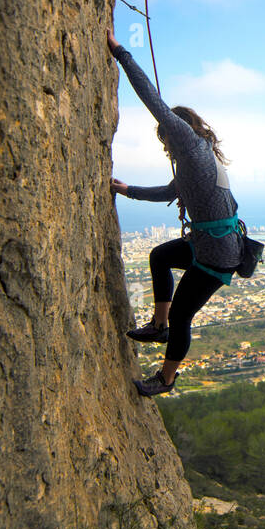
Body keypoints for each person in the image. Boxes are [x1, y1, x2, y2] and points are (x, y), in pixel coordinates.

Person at [107, 30, 244, 397]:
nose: (164, 143)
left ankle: (165, 380)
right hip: (209, 243)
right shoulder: (196, 158)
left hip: (217, 253)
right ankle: (159, 325)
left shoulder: (189, 145)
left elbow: (152, 100)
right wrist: (128, 190)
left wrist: (121, 53)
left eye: (164, 137)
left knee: (185, 314)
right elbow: (170, 192)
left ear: (177, 130)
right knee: (160, 255)